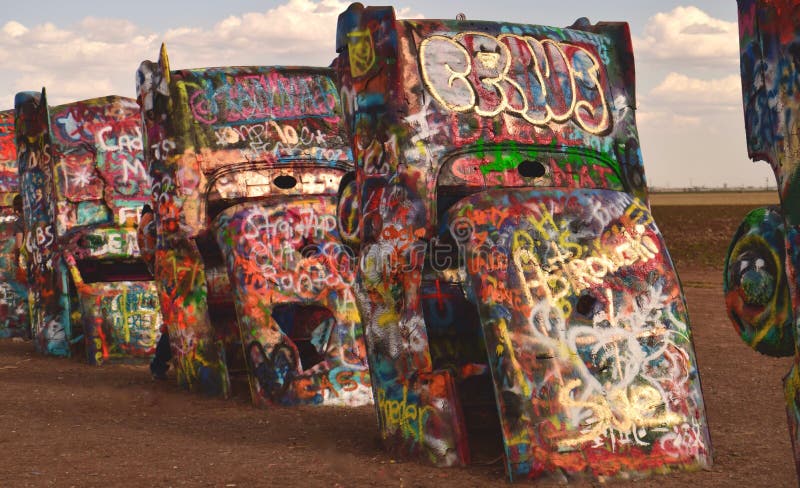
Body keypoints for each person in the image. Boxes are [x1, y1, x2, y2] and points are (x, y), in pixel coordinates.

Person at [137, 203, 171, 380]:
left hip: (161, 270)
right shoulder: (149, 222)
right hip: (166, 271)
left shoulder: (144, 222)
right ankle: (158, 365)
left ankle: (159, 364)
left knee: (171, 322)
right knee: (173, 323)